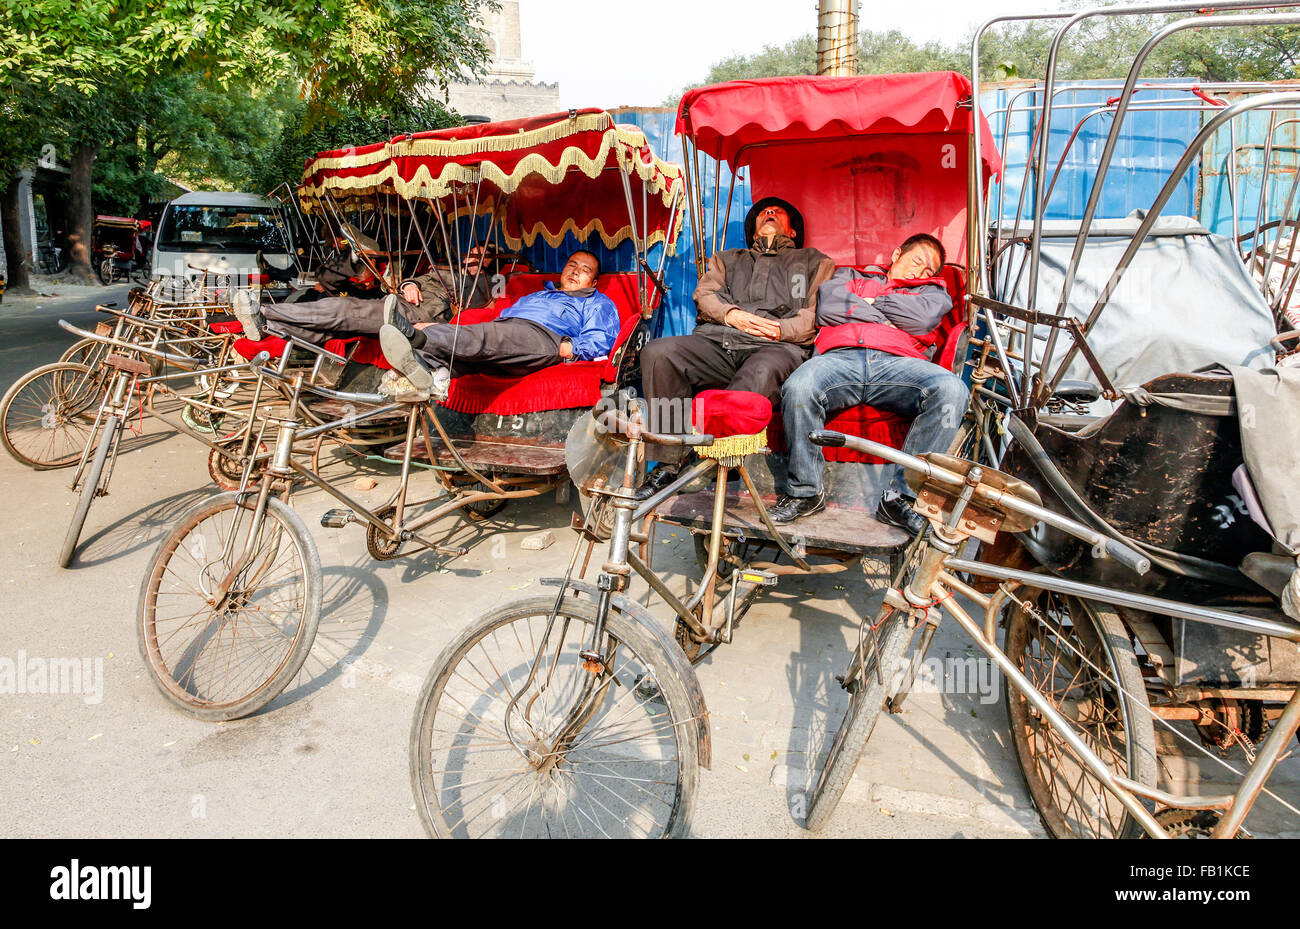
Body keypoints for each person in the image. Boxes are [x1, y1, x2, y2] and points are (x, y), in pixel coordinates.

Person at [632, 197, 834, 501]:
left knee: (762, 368)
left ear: (793, 232)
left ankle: (717, 458)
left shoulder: (812, 262)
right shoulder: (728, 258)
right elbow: (705, 295)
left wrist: (782, 329)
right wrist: (731, 315)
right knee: (659, 353)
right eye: (764, 212)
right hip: (719, 339)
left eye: (778, 212)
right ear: (752, 230)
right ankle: (670, 461)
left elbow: (815, 314)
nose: (769, 213)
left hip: (775, 346)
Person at [769, 232, 969, 531]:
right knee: (800, 387)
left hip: (900, 365)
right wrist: (889, 312)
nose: (919, 272)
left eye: (928, 270)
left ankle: (900, 498)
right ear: (896, 254)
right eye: (916, 261)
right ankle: (806, 492)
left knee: (953, 390)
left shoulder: (934, 291)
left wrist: (867, 302)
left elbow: (922, 321)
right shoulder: (849, 274)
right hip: (840, 358)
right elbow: (829, 308)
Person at [378, 249, 619, 399]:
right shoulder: (539, 294)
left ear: (594, 282)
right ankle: (424, 366)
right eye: (572, 265)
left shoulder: (597, 302)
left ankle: (416, 336)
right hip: (509, 333)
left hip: (545, 338)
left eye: (584, 270)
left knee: (486, 337)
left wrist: (567, 348)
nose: (576, 272)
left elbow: (600, 340)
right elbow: (499, 324)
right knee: (479, 345)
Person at [230, 245, 491, 345]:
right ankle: (269, 327)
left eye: (482, 257)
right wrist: (408, 286)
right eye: (473, 254)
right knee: (331, 331)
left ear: (490, 263)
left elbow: (473, 316)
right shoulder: (444, 272)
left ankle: (264, 311)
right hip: (398, 304)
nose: (474, 259)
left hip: (413, 318)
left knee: (344, 309)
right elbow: (416, 280)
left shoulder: (483, 285)